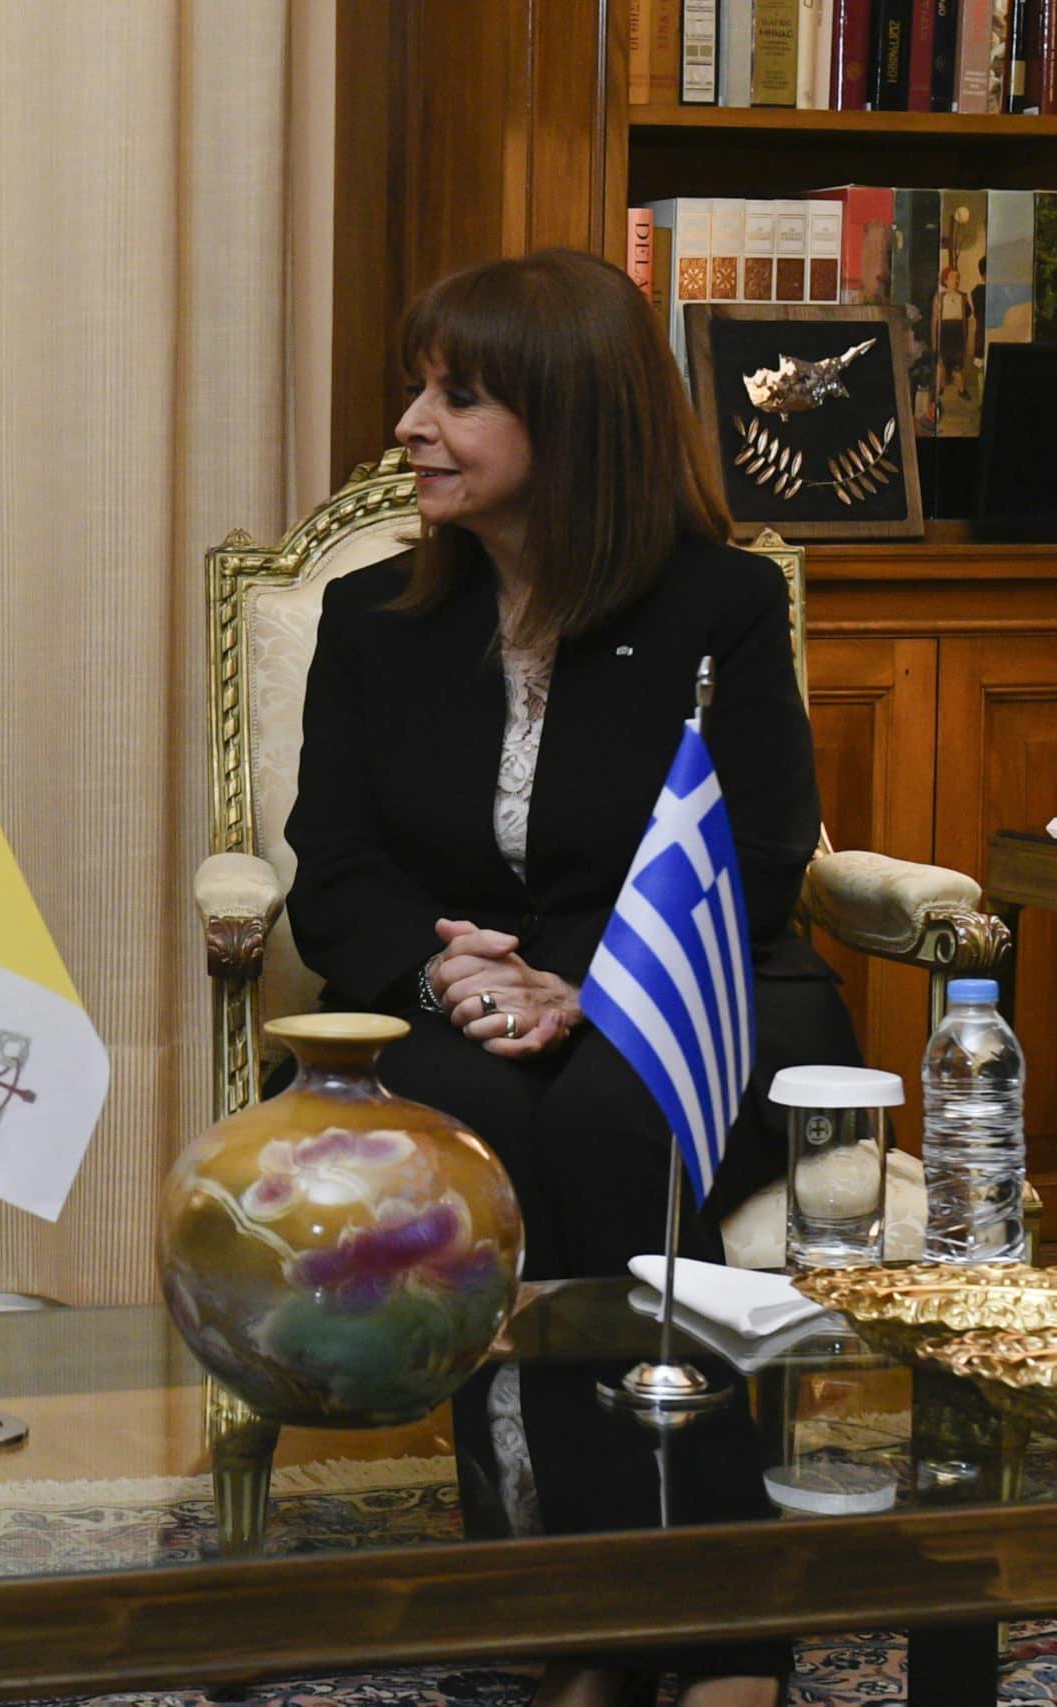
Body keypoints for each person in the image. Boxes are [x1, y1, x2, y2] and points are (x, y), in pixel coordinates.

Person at [285, 248, 857, 1705]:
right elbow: (334, 862)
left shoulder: (717, 608)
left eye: (459, 396)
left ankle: (707, 1626)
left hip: (694, 985)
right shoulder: (373, 625)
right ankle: (577, 1609)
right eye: (419, 387)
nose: (411, 423)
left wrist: (590, 989)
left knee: (613, 1122)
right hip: (454, 1006)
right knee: (489, 1136)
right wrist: (440, 965)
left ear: (576, 421)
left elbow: (763, 847)